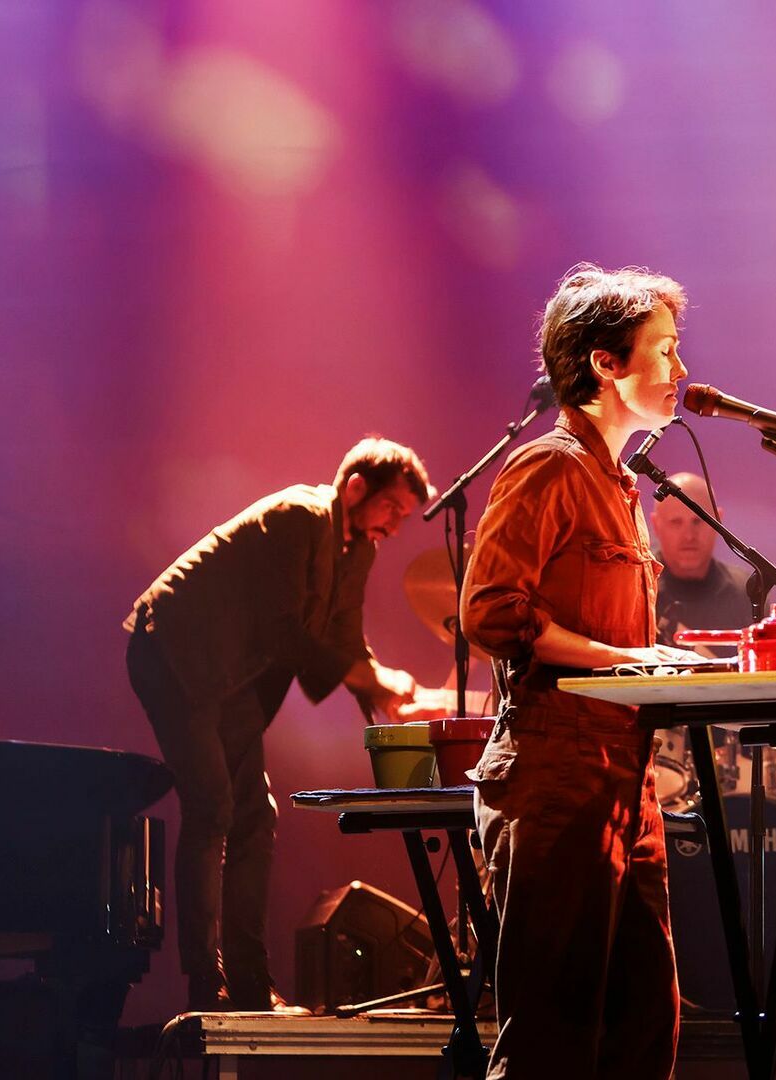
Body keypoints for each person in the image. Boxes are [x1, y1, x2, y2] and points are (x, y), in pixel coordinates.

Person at [462, 263, 702, 1079]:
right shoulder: (550, 467)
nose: (679, 370)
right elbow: (492, 611)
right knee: (551, 1043)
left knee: (642, 1029)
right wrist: (625, 658)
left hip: (622, 777)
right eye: (663, 350)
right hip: (557, 769)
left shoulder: (622, 485)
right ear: (605, 362)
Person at [125, 436, 431, 1012]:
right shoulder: (298, 515)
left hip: (231, 678)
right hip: (176, 652)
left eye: (403, 517)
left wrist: (385, 693)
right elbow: (285, 632)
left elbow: (343, 641)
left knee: (254, 817)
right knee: (213, 805)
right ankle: (205, 982)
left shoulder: (358, 549)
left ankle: (246, 984)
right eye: (392, 509)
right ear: (357, 486)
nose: (393, 527)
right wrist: (370, 681)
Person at [650, 471, 753, 647]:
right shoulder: (635, 590)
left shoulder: (749, 592)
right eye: (676, 522)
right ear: (656, 525)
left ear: (718, 522)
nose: (689, 536)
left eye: (698, 521)